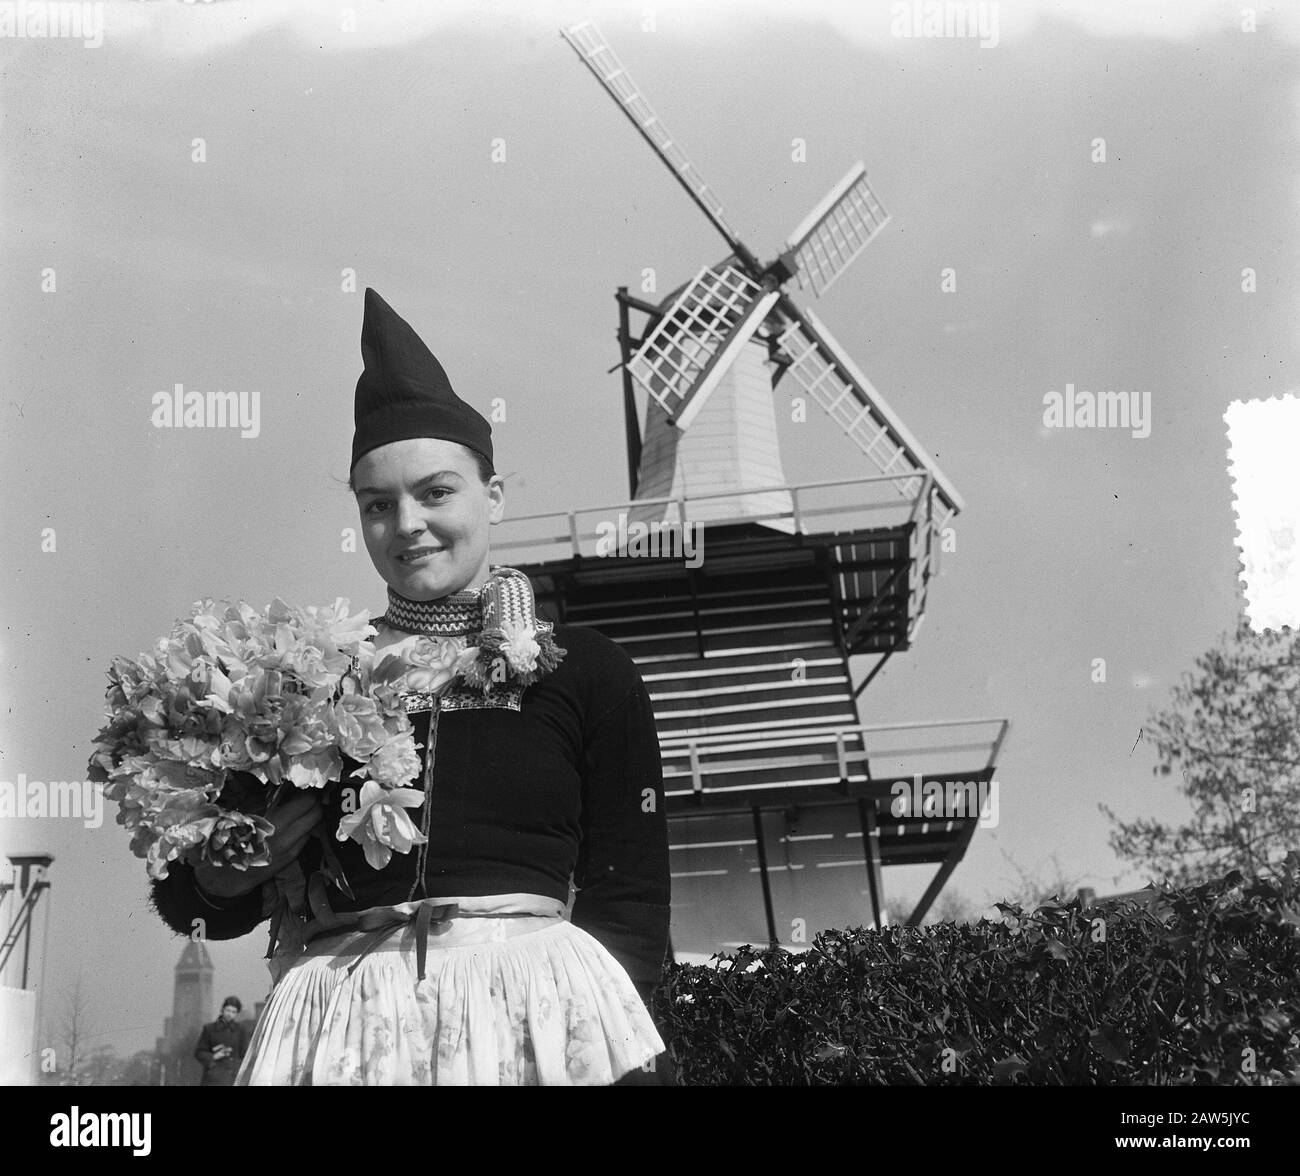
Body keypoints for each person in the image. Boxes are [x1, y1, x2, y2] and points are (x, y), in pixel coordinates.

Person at [148, 288, 673, 1086]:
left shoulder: (588, 671)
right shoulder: (312, 677)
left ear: (491, 498)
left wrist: (604, 1042)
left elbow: (629, 900)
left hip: (531, 1013)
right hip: (344, 1025)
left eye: (436, 492)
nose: (409, 525)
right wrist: (225, 873)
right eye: (379, 505)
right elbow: (207, 902)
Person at [194, 997, 250, 1087]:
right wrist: (214, 1056)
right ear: (222, 1010)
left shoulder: (241, 1030)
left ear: (236, 1014)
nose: (229, 1014)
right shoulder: (209, 1029)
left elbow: (245, 1054)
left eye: (233, 1012)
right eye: (227, 1010)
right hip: (213, 1078)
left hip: (234, 1077)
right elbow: (199, 1052)